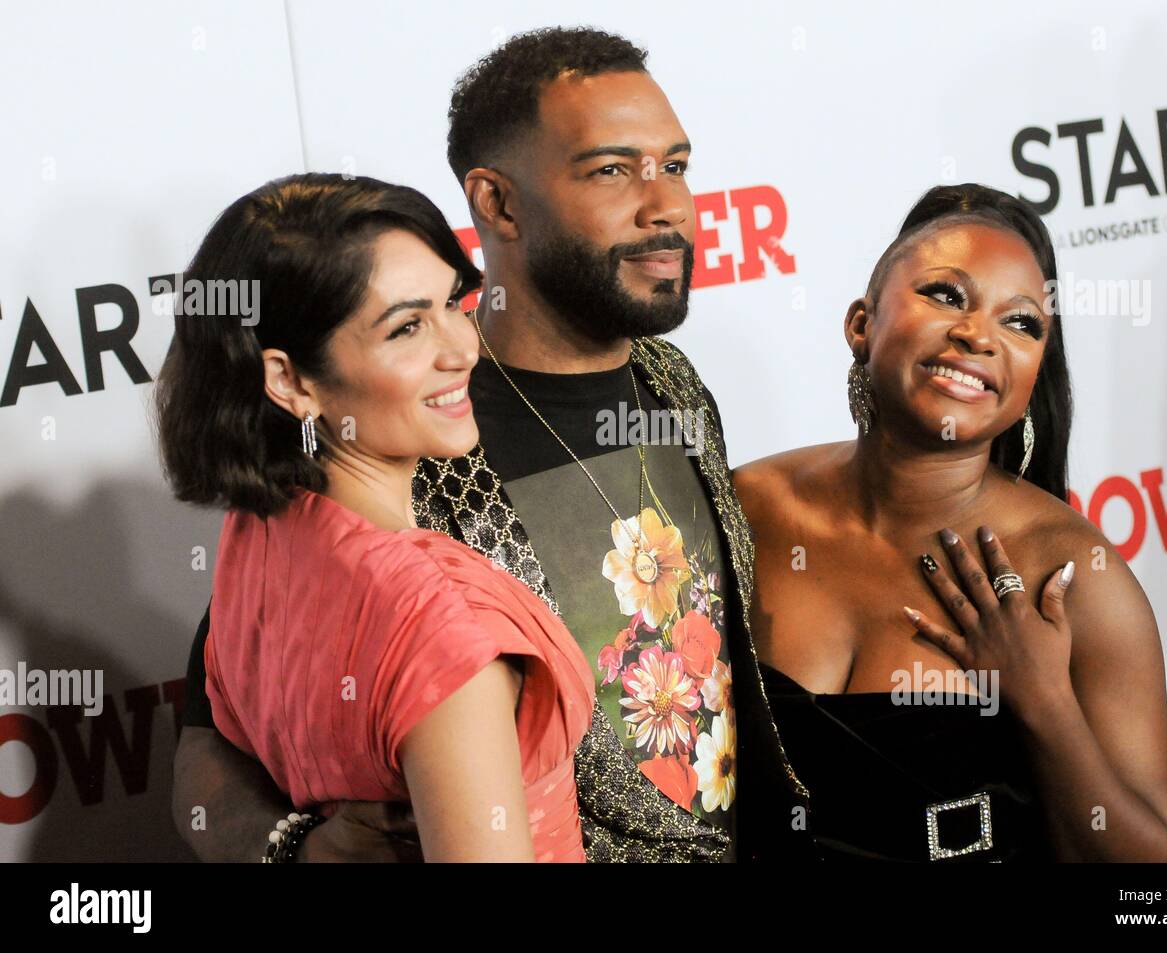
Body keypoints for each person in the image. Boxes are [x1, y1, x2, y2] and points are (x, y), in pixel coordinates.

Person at [171, 27, 811, 863]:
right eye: (613, 170)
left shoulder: (672, 378)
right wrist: (294, 847)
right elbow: (209, 737)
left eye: (676, 164)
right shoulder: (403, 429)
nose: (667, 206)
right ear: (499, 203)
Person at [733, 183, 1167, 861]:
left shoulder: (1071, 576)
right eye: (946, 295)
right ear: (862, 321)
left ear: (1036, 370)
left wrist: (1043, 700)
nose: (977, 334)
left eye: (1022, 322)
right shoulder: (745, 504)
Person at [155, 172, 594, 862]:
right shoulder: (441, 627)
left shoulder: (257, 536)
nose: (461, 349)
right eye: (407, 327)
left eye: (455, 302)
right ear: (291, 381)